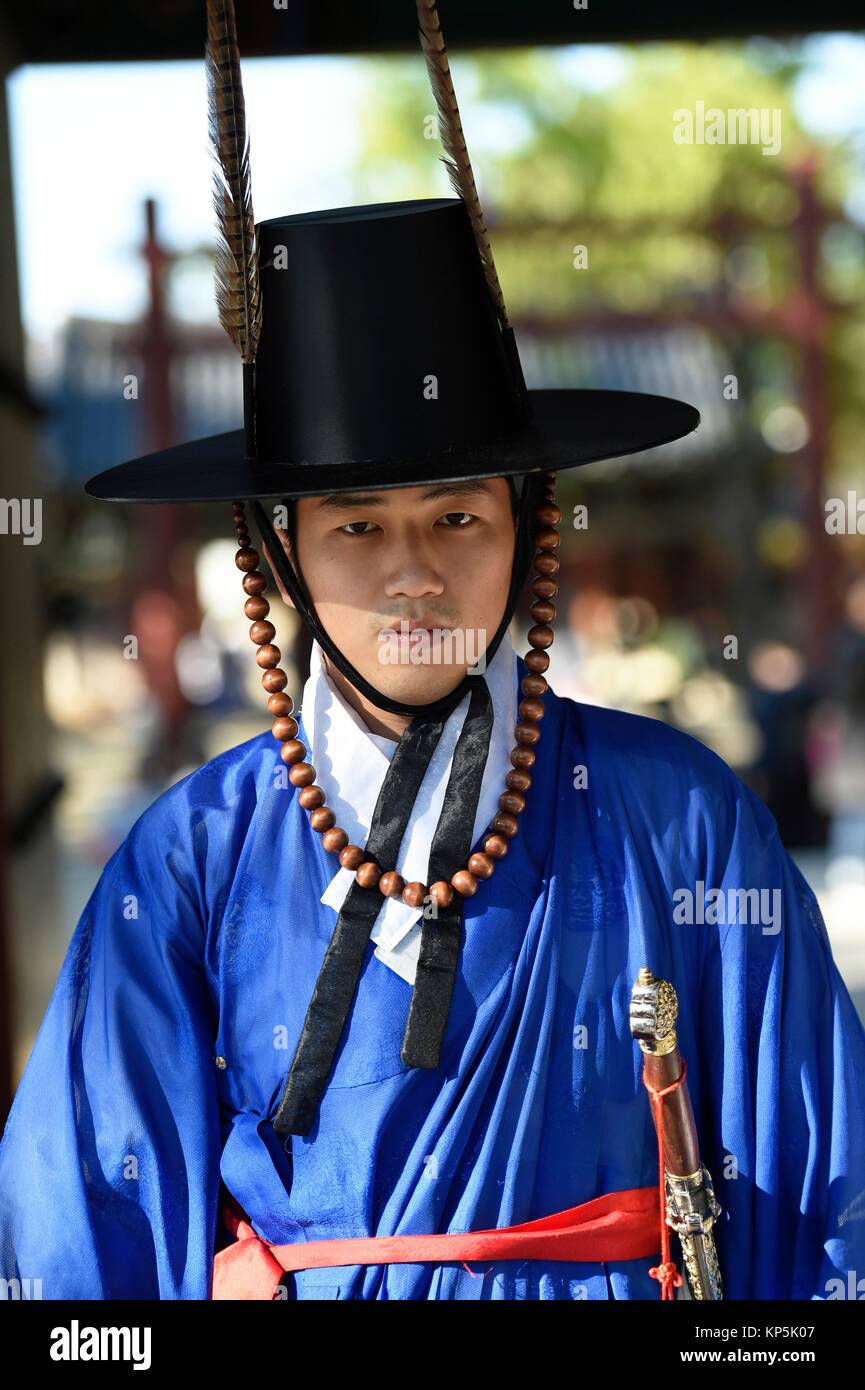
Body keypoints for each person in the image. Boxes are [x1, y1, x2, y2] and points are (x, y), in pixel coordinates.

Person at [1, 0, 864, 1302]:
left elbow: (828, 1201)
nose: (412, 568)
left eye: (458, 514)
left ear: (527, 524)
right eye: (357, 525)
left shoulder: (679, 819)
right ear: (279, 551)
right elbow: (78, 1247)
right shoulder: (186, 859)